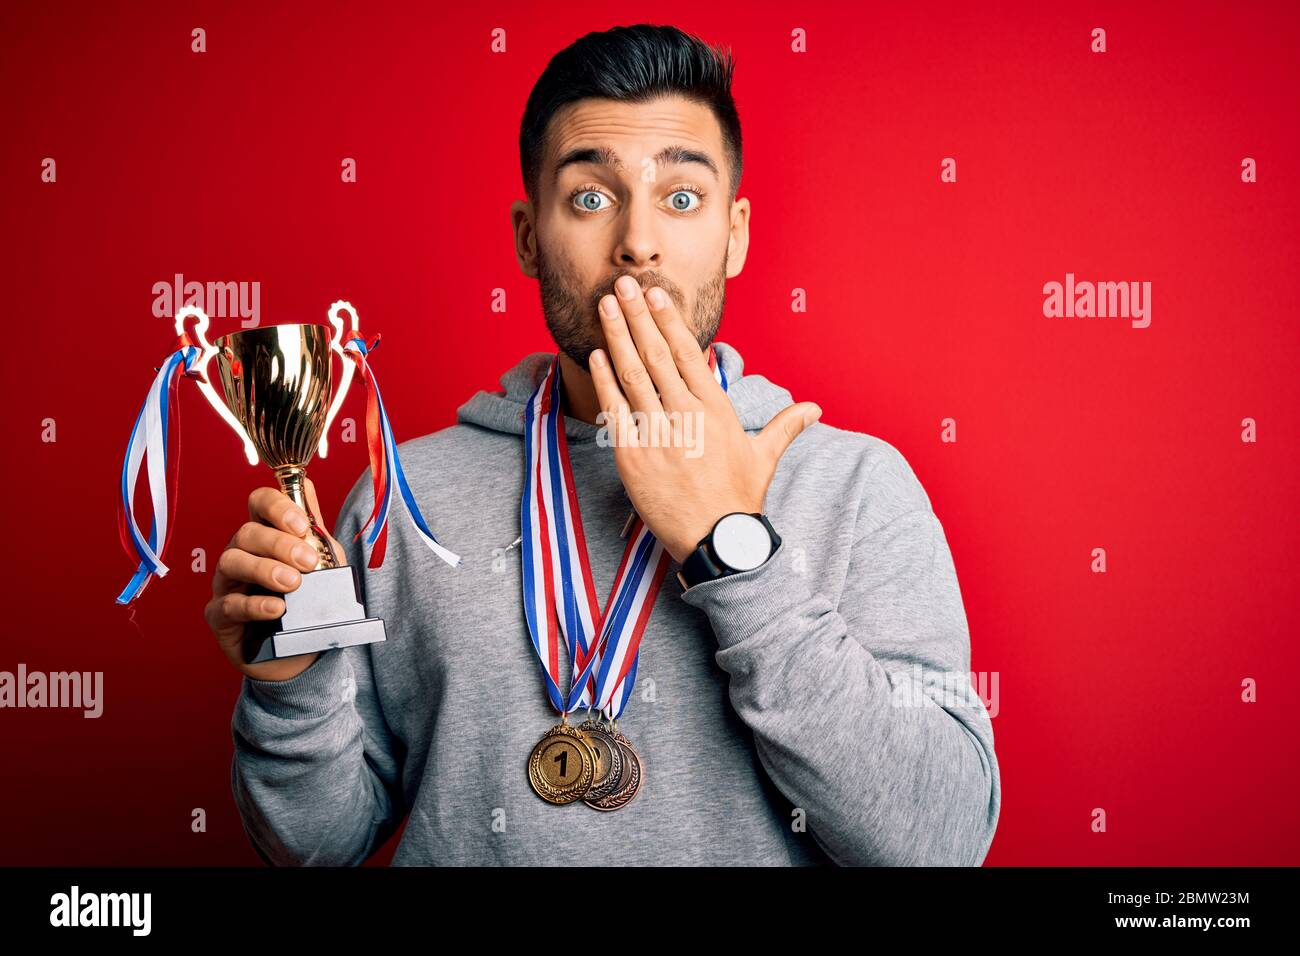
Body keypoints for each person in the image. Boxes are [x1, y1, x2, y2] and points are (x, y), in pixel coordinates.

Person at [207, 23, 1001, 866]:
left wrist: (735, 553)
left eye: (682, 198)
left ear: (734, 236)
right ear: (526, 237)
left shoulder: (856, 486)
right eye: (590, 197)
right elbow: (315, 848)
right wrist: (289, 690)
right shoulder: (404, 495)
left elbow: (940, 840)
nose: (637, 242)